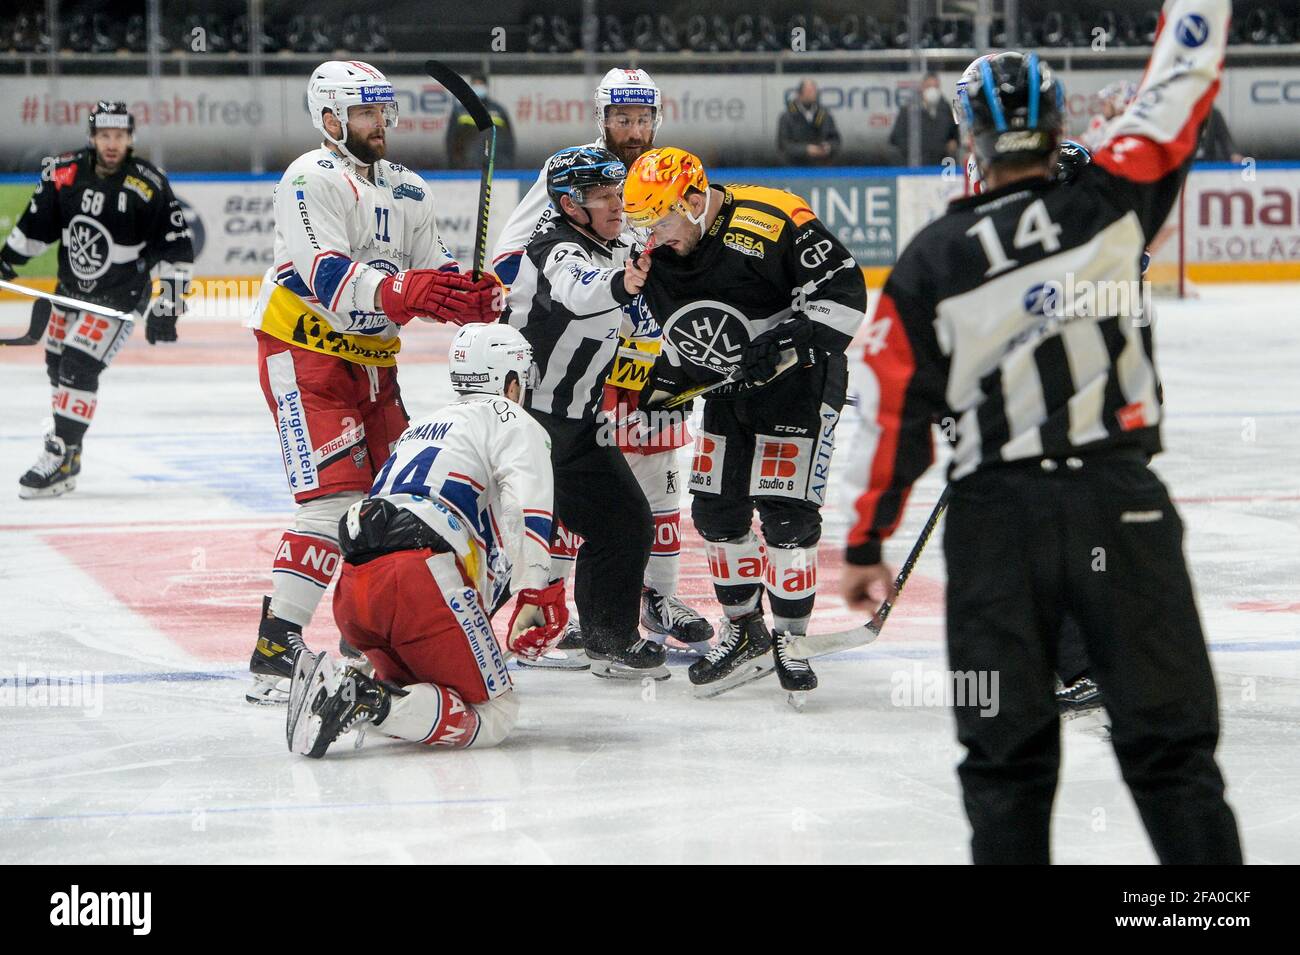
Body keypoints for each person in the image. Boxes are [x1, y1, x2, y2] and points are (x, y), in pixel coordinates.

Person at [842, 6, 1242, 865]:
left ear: (971, 137)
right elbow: (1180, 87)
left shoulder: (932, 255)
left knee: (1005, 767)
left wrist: (869, 537)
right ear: (1059, 120)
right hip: (1123, 506)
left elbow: (894, 410)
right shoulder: (1111, 197)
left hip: (996, 526)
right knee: (1173, 755)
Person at [244, 60, 500, 705]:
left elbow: (431, 267)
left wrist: (464, 296)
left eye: (383, 113)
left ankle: (369, 638)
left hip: (373, 364)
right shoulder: (308, 178)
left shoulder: (410, 189)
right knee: (333, 503)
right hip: (303, 354)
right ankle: (275, 651)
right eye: (365, 114)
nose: (380, 125)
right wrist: (405, 291)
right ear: (330, 119)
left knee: (394, 499)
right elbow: (325, 274)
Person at [623, 147, 867, 696]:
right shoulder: (657, 256)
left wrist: (788, 341)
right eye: (643, 225)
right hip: (728, 392)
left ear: (690, 199)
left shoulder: (774, 216)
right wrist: (668, 383)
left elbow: (846, 296)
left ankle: (791, 638)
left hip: (801, 387)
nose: (653, 237)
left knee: (786, 517)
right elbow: (678, 334)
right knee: (715, 510)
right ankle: (746, 633)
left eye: (659, 220)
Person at [491, 67, 711, 661]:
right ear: (603, 118)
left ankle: (643, 607)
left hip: (624, 361)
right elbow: (527, 255)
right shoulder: (571, 175)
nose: (633, 130)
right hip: (550, 388)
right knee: (529, 515)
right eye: (623, 118)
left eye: (642, 119)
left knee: (648, 495)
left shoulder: (660, 174)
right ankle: (516, 603)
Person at [288, 323, 567, 757]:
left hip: (358, 590)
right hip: (418, 577)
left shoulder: (421, 429)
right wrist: (536, 588)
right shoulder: (511, 418)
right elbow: (524, 503)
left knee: (421, 690)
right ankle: (368, 699)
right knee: (496, 712)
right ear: (511, 381)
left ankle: (361, 687)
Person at [504, 145, 669, 679]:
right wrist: (627, 283)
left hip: (579, 423)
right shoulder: (554, 246)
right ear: (571, 204)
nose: (617, 205)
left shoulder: (615, 238)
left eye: (618, 193)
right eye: (603, 197)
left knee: (625, 524)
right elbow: (583, 292)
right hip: (527, 424)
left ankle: (608, 639)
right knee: (498, 540)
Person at [1, 101, 194, 499]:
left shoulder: (148, 183)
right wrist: (6, 261)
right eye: (104, 135)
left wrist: (168, 306)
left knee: (77, 366)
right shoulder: (64, 172)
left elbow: (176, 248)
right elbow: (37, 225)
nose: (111, 143)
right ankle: (70, 455)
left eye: (119, 136)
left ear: (130, 139)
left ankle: (60, 454)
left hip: (118, 299)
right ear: (92, 138)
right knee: (57, 368)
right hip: (68, 294)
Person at [445, 73, 516, 169]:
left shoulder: (498, 111)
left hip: (495, 168)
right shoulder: (460, 111)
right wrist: (455, 164)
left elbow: (508, 140)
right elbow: (451, 140)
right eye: (475, 84)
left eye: (481, 84)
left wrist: (506, 163)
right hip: (466, 168)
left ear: (486, 87)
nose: (478, 87)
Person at [888, 72, 958, 166]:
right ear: (922, 87)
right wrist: (914, 151)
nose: (932, 90)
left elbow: (954, 134)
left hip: (940, 165)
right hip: (916, 166)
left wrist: (952, 144)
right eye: (929, 86)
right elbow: (896, 138)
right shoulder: (909, 109)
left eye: (935, 87)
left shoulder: (945, 109)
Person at [776, 79, 842, 166]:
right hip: (794, 167)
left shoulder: (823, 114)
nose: (813, 94)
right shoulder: (787, 117)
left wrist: (828, 147)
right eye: (809, 91)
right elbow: (783, 145)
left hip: (821, 167)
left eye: (814, 91)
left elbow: (835, 140)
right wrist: (806, 150)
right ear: (799, 94)